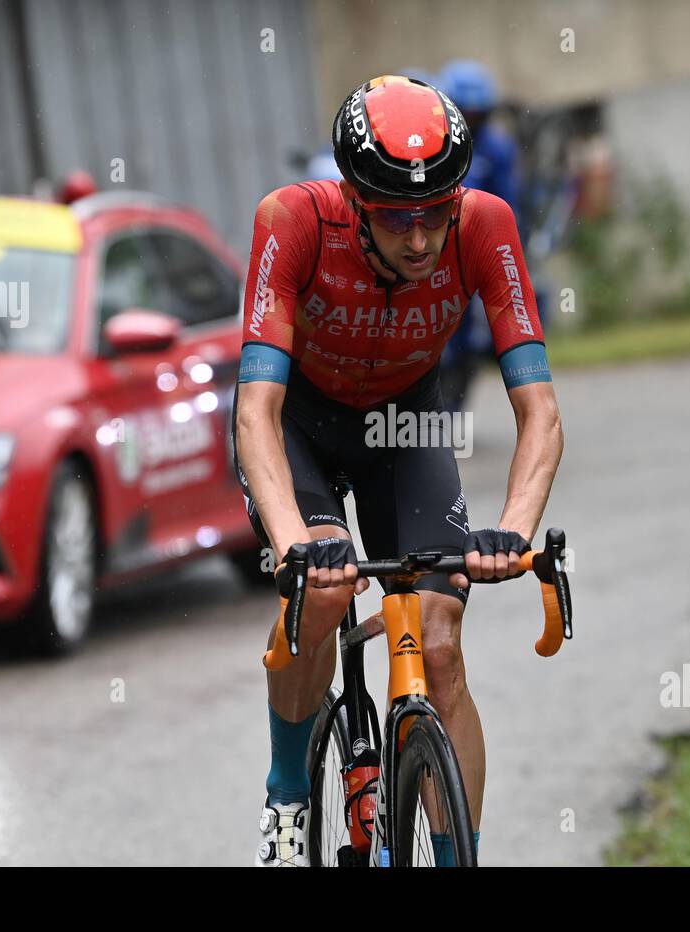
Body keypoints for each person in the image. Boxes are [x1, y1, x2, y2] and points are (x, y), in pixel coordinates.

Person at [232, 74, 563, 866]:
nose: (420, 240)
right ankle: (286, 795)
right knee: (327, 592)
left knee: (442, 644)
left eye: (435, 214)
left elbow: (540, 413)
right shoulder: (293, 220)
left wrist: (512, 534)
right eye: (395, 218)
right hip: (299, 428)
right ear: (353, 199)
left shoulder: (486, 225)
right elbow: (255, 415)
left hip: (403, 424)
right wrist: (292, 546)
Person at [436, 60, 521, 412]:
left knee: (469, 339)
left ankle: (450, 410)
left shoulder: (497, 150)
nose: (470, 121)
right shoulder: (432, 141)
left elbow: (509, 206)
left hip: (474, 258)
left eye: (477, 114)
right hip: (428, 256)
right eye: (463, 112)